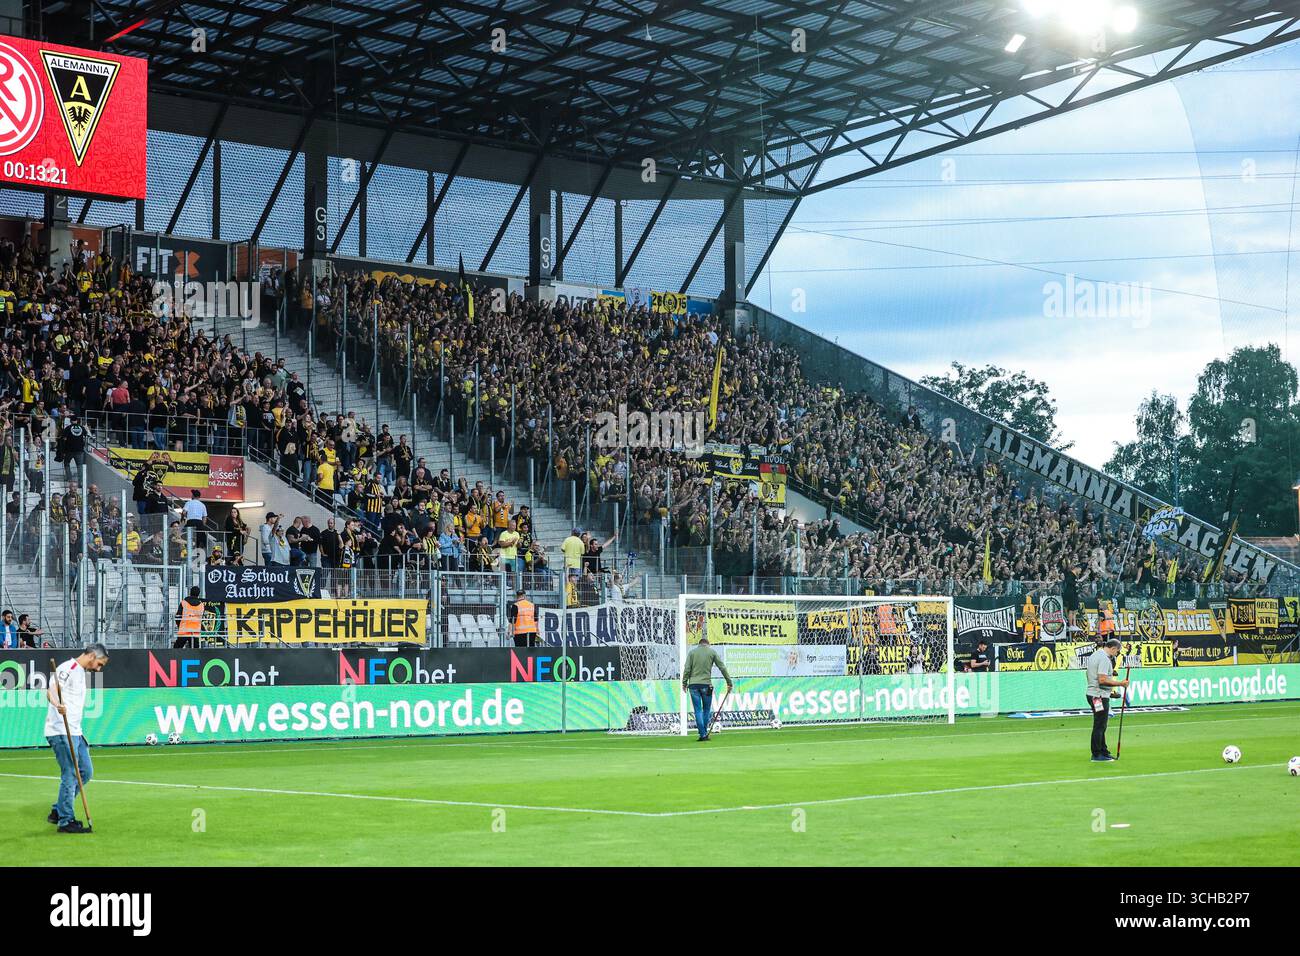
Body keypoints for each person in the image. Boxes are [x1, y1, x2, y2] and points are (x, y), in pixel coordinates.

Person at [46, 644, 110, 833]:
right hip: (61, 730)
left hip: (76, 731)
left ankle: (59, 809)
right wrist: (58, 705)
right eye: (99, 664)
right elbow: (50, 691)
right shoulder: (68, 668)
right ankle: (66, 821)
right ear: (91, 656)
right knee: (70, 773)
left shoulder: (81, 672)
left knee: (85, 772)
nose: (98, 669)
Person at [681, 636, 733, 742]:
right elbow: (722, 667)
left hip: (693, 685)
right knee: (706, 710)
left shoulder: (692, 653)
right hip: (706, 685)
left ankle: (703, 733)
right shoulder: (712, 652)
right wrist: (729, 682)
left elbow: (687, 669)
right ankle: (704, 733)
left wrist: (684, 683)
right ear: (707, 644)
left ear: (699, 644)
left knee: (697, 710)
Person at [1085, 638, 1129, 761]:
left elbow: (1088, 674)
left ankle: (1103, 751)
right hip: (1098, 696)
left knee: (1101, 724)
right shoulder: (1104, 659)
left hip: (1094, 693)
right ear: (1113, 648)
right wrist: (1120, 684)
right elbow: (1102, 680)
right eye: (1117, 651)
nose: (1117, 654)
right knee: (1100, 725)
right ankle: (1097, 753)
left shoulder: (1096, 654)